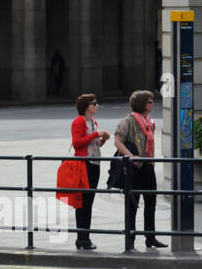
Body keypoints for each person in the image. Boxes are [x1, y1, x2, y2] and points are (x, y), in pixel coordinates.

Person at [112, 89, 165, 251]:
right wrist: (131, 157)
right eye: (150, 101)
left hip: (148, 166)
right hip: (134, 169)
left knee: (151, 203)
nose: (153, 104)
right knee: (132, 205)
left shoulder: (148, 121)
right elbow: (117, 141)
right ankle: (131, 239)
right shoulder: (128, 121)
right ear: (142, 103)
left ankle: (150, 237)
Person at [70, 93, 110, 250]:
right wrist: (96, 134)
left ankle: (84, 238)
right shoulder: (79, 121)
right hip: (83, 164)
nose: (97, 105)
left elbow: (95, 145)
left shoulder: (93, 121)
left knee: (89, 202)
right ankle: (82, 238)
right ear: (86, 106)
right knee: (83, 203)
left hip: (94, 164)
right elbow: (77, 143)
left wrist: (103, 139)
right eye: (94, 103)